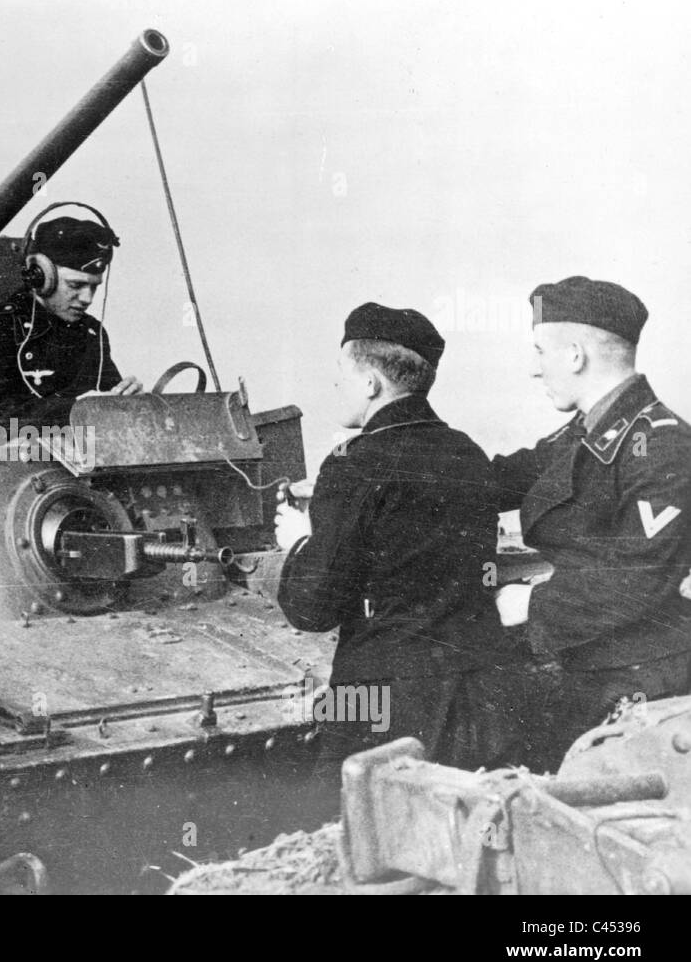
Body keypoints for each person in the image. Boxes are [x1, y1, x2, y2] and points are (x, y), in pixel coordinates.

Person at [274, 302, 514, 772]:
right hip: (477, 687)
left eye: (342, 372)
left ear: (370, 383)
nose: (337, 384)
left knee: (348, 819)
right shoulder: (467, 451)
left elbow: (312, 608)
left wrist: (302, 540)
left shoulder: (353, 463)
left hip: (379, 688)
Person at [490, 275, 691, 769]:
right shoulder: (591, 431)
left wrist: (528, 602)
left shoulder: (658, 442)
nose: (535, 370)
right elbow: (500, 478)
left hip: (646, 686)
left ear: (575, 355)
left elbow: (637, 577)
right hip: (596, 670)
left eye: (541, 352)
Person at [0, 214, 142, 445]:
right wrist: (73, 409)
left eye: (94, 287)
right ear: (41, 277)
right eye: (75, 285)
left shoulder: (91, 333)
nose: (87, 299)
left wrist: (126, 401)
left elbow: (106, 409)